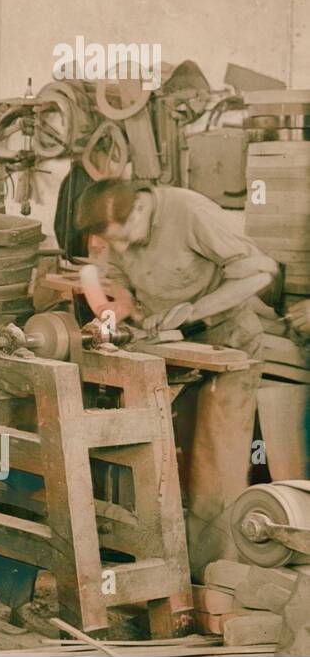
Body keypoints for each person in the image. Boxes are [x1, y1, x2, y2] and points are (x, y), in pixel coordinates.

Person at [75, 179, 277, 577]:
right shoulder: (118, 233)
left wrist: (194, 313)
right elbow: (119, 283)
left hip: (227, 347)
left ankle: (212, 579)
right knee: (161, 456)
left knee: (214, 468)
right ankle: (156, 566)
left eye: (123, 237)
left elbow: (260, 272)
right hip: (169, 349)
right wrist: (123, 310)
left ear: (138, 210)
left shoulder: (191, 213)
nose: (119, 247)